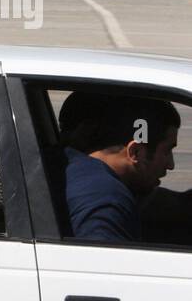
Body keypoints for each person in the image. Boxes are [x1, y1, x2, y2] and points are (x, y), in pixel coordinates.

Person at [62, 94, 179, 243]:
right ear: (135, 152)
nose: (171, 165)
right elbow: (103, 263)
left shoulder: (77, 168)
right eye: (167, 151)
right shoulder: (106, 198)